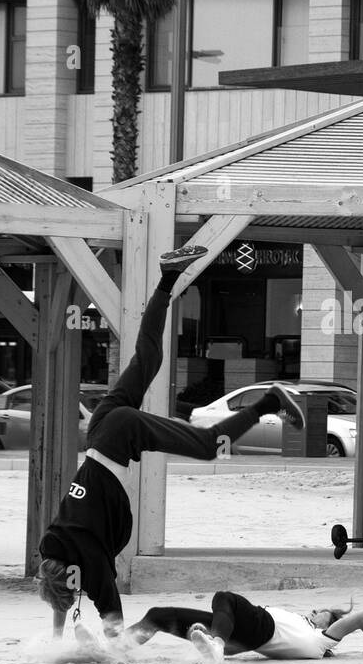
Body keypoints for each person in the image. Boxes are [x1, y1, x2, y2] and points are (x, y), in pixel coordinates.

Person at [35, 245, 307, 637]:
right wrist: (57, 637)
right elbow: (57, 584)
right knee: (148, 358)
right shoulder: (52, 547)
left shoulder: (88, 564)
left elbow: (112, 620)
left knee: (209, 445)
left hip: (118, 436)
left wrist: (105, 644)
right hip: (100, 428)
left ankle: (268, 400)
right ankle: (168, 276)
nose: (76, 593)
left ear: (72, 580)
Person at [121, 593, 363, 664]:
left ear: (331, 625)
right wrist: (223, 645)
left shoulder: (320, 639)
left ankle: (216, 645)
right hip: (240, 633)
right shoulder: (307, 636)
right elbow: (246, 646)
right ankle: (117, 648)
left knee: (225, 597)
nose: (314, 611)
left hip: (258, 624)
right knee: (158, 616)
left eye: (321, 613)